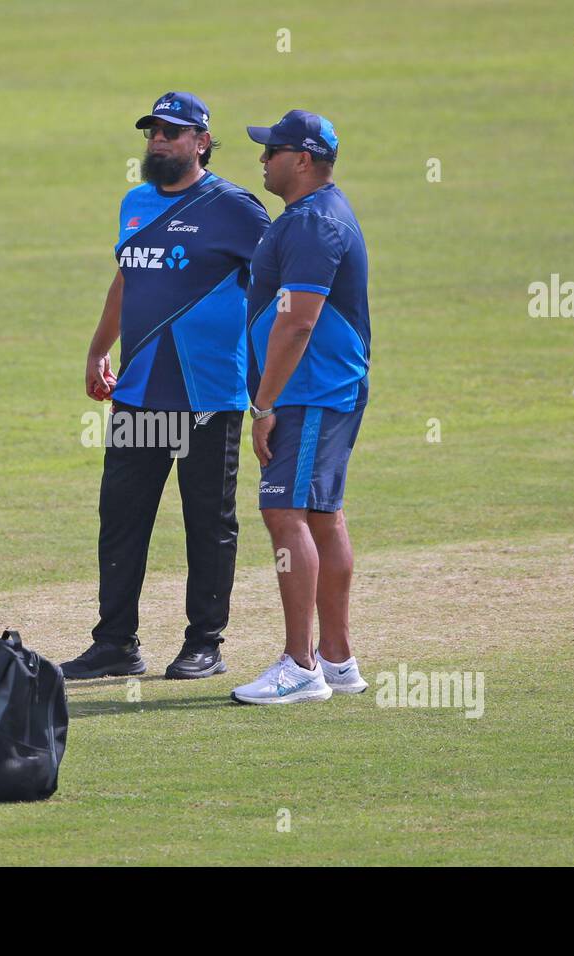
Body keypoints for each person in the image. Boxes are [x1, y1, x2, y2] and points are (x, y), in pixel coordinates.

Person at [61, 92, 270, 681]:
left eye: (172, 133)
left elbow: (275, 289)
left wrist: (269, 380)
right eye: (153, 132)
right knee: (121, 518)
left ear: (201, 141)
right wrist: (99, 348)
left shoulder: (236, 208)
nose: (159, 141)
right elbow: (127, 279)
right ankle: (115, 645)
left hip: (209, 395)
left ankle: (204, 642)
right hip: (139, 392)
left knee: (208, 521)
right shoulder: (134, 202)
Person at [230, 110, 373, 705]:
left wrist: (263, 404)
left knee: (285, 513)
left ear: (304, 160)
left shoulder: (314, 225)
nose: (263, 160)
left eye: (273, 151)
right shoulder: (313, 216)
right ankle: (337, 661)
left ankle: (301, 665)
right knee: (320, 515)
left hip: (307, 390)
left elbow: (298, 324)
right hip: (322, 387)